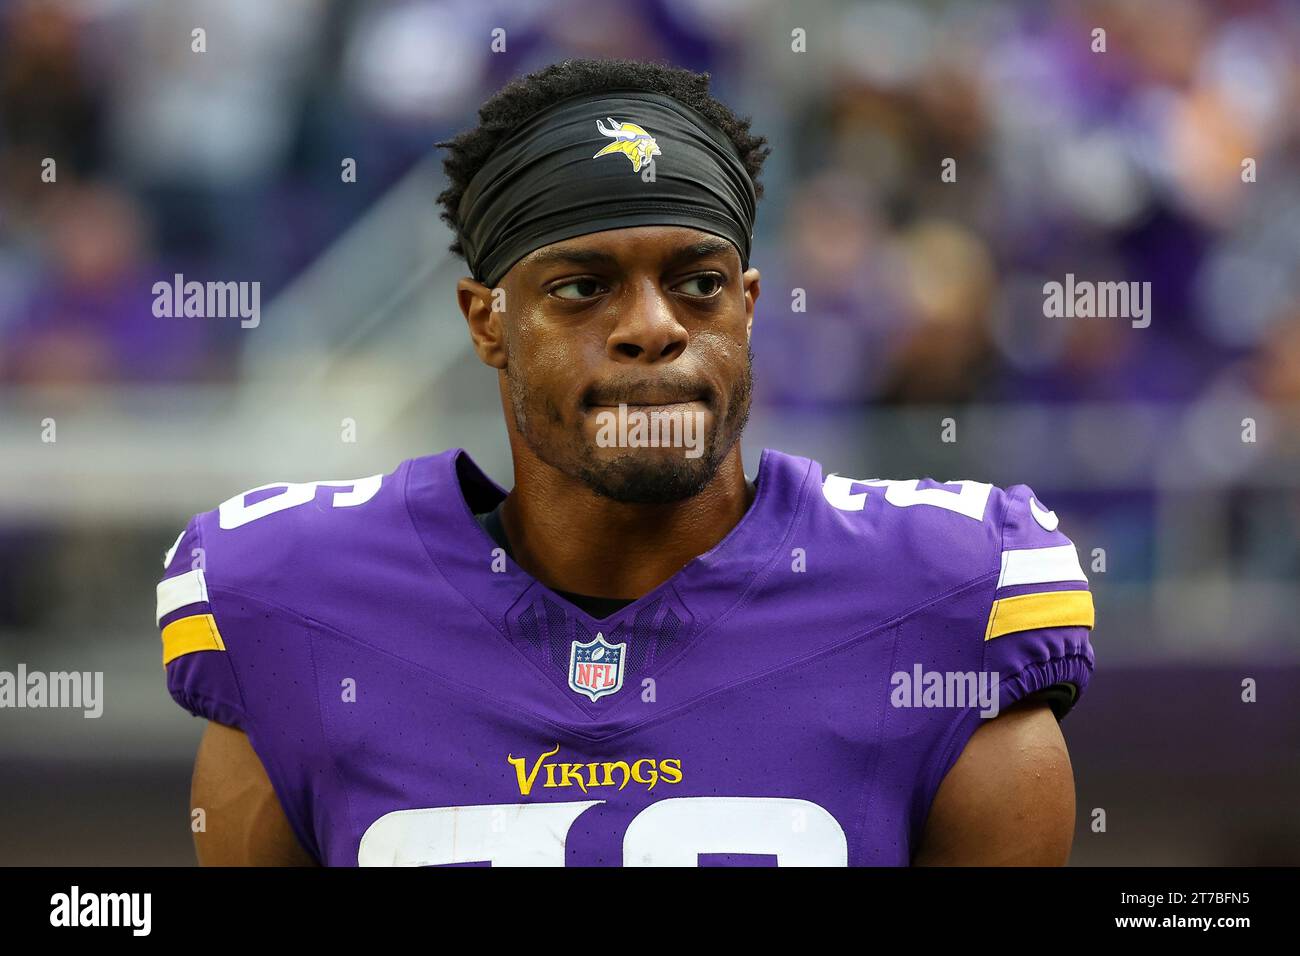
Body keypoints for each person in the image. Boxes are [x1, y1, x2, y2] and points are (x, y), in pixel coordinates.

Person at [156, 58, 1094, 866]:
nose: (653, 327)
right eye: (581, 288)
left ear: (749, 305)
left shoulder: (946, 595)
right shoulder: (291, 601)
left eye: (698, 284)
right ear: (489, 323)